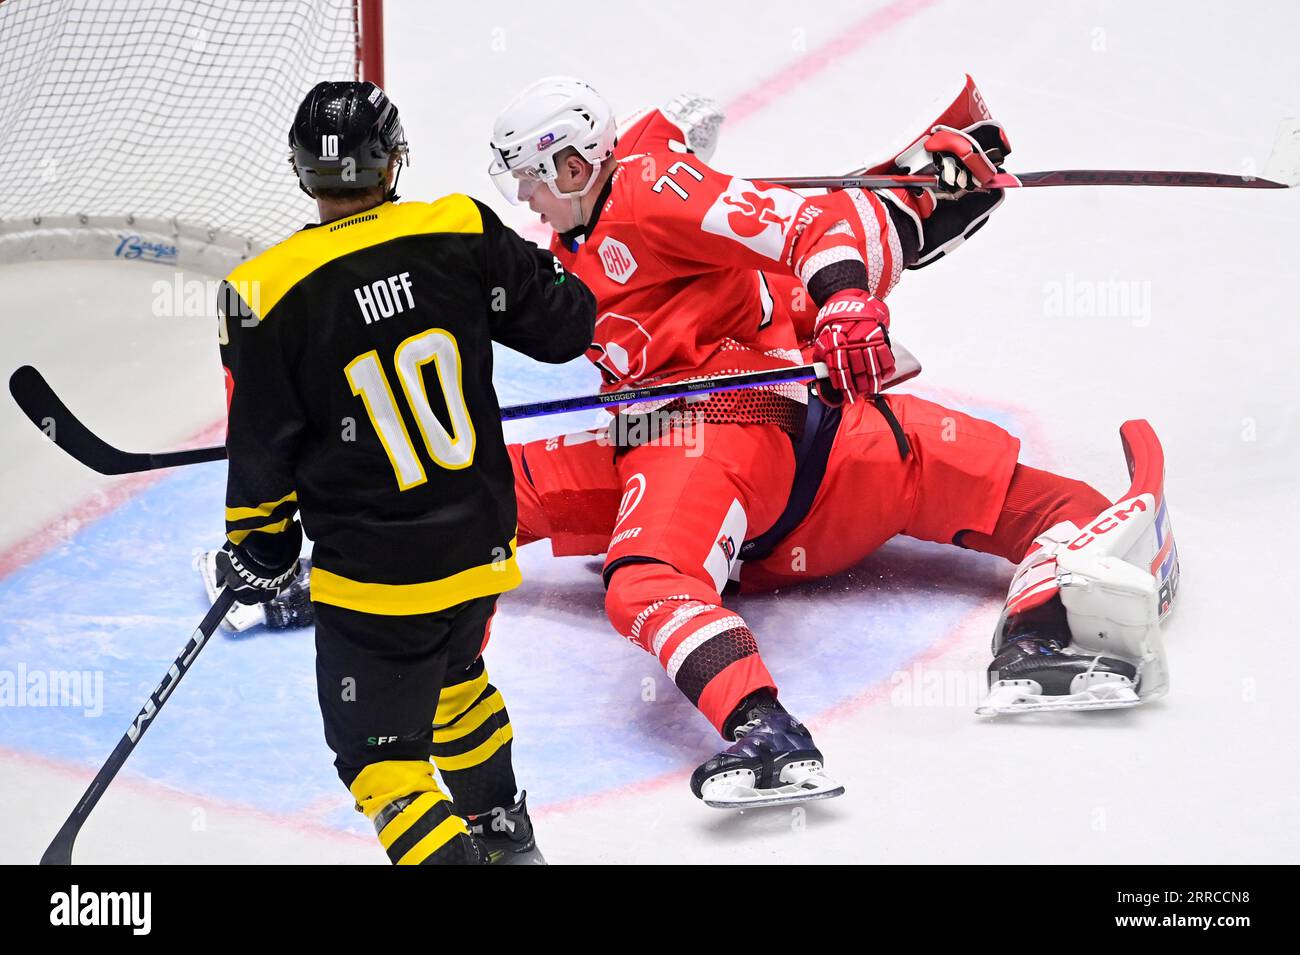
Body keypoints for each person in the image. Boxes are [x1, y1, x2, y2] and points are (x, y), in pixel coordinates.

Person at [214, 80, 596, 863]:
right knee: (458, 681)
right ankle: (505, 836)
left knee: (381, 761)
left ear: (302, 172)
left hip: (377, 580)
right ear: (392, 163)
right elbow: (569, 324)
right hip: (480, 550)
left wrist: (257, 550)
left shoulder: (261, 291)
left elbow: (263, 451)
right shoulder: (457, 227)